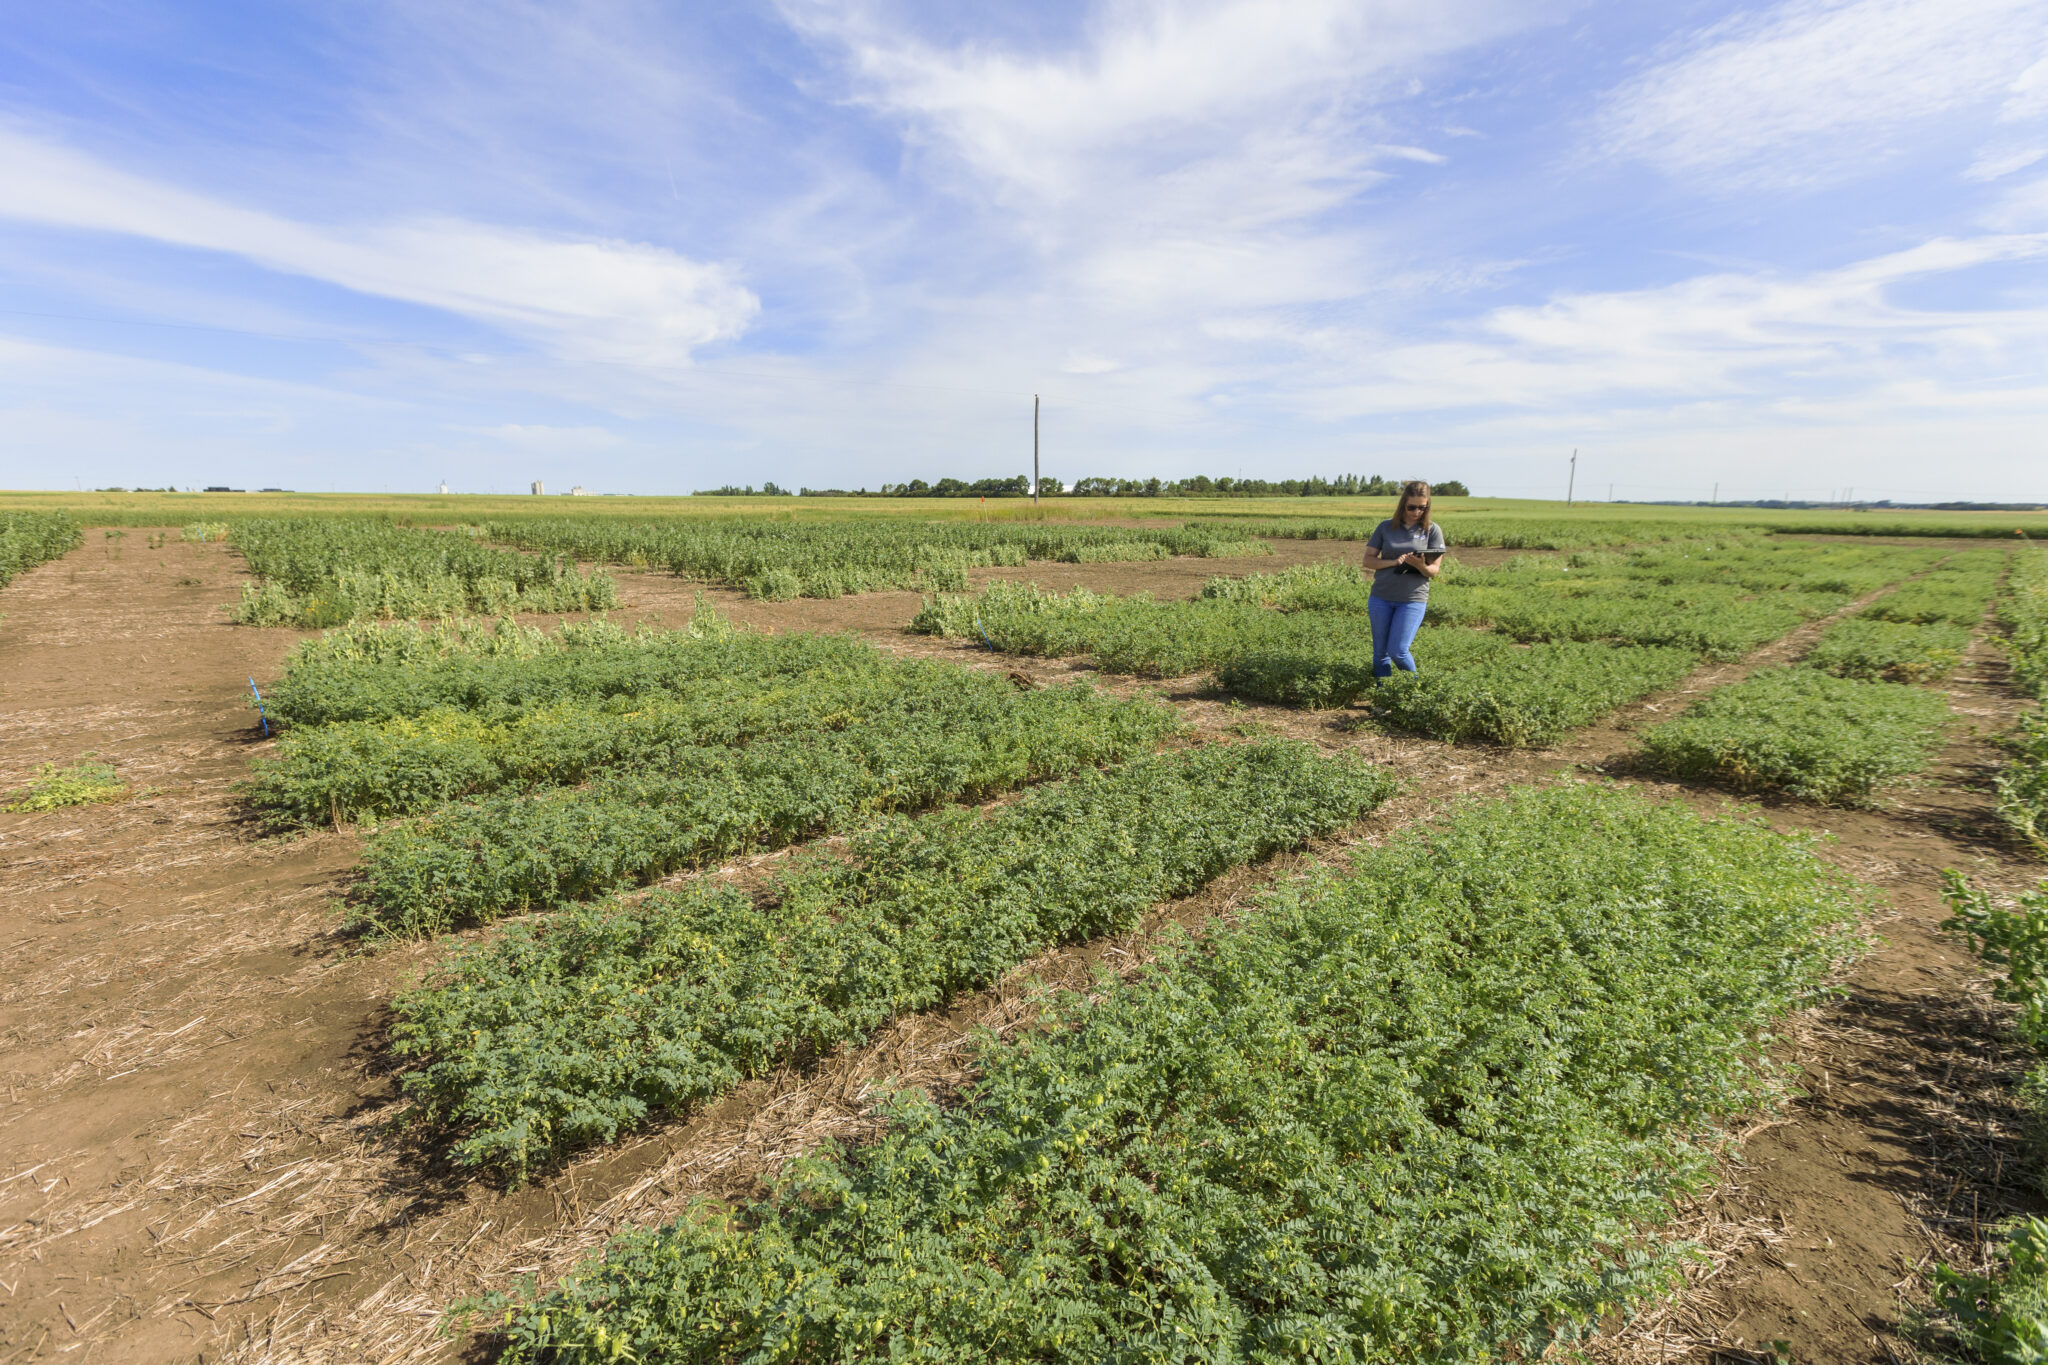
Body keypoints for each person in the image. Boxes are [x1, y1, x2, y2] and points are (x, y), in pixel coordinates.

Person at [1358, 481, 1445, 678]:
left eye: (1422, 507)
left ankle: (1415, 692)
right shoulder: (1385, 527)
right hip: (1381, 597)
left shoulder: (1432, 530)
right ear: (1403, 504)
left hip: (1412, 599)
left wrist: (1419, 565)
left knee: (1398, 650)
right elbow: (1368, 561)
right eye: (1412, 507)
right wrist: (1394, 562)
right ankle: (1383, 699)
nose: (1416, 512)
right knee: (1380, 654)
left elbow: (1433, 571)